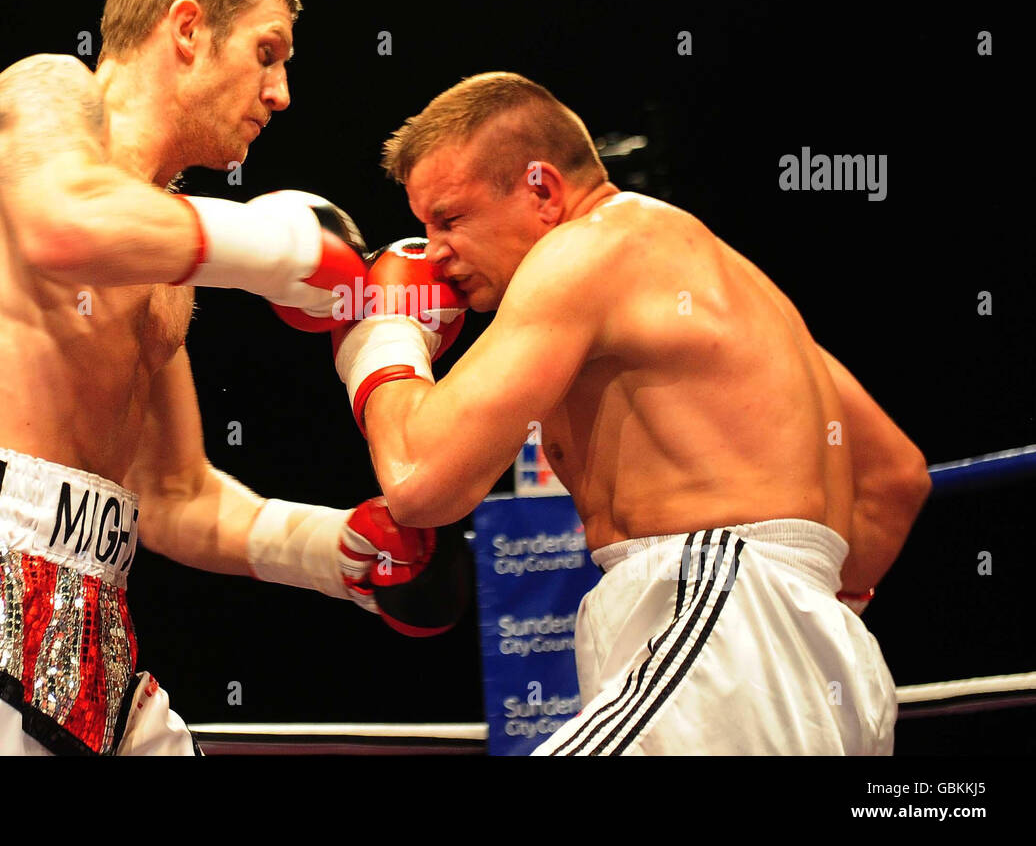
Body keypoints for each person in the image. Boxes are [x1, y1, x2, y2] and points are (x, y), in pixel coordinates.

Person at [0, 0, 463, 758]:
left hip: (95, 623)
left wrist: (335, 553)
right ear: (188, 29)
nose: (281, 93)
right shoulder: (45, 95)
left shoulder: (166, 253)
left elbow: (172, 493)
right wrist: (282, 250)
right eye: (267, 53)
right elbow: (63, 224)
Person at [332, 71, 931, 754]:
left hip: (724, 628)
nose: (434, 253)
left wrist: (381, 334)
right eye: (424, 226)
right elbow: (894, 475)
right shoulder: (724, 279)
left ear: (542, 190)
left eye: (450, 218)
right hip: (794, 657)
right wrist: (801, 631)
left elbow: (419, 478)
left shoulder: (585, 252)